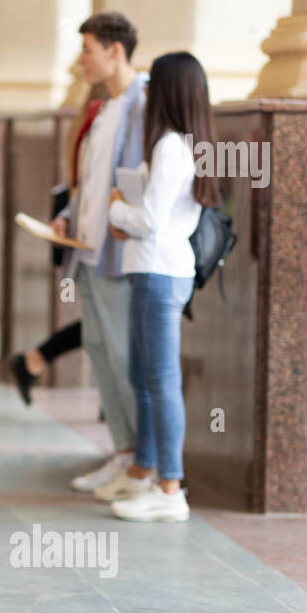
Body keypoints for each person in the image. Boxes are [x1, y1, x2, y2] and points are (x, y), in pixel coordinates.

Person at [100, 52, 219, 522]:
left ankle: (170, 488)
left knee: (161, 381)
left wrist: (115, 208)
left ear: (168, 90)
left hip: (159, 270)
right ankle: (146, 472)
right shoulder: (183, 143)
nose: (144, 91)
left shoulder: (172, 146)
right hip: (157, 268)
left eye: (152, 83)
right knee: (145, 379)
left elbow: (148, 220)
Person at [50, 11, 148, 493]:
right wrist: (68, 213)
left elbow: (141, 183)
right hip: (86, 251)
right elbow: (90, 182)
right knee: (101, 353)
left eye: (87, 49)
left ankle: (145, 466)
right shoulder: (105, 107)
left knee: (126, 358)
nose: (81, 60)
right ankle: (124, 452)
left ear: (115, 50)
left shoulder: (142, 104)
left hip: (119, 255)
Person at [9, 83, 108, 405]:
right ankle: (35, 359)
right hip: (99, 241)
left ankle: (34, 359)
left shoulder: (85, 125)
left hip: (87, 237)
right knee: (102, 322)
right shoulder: (98, 125)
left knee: (99, 322)